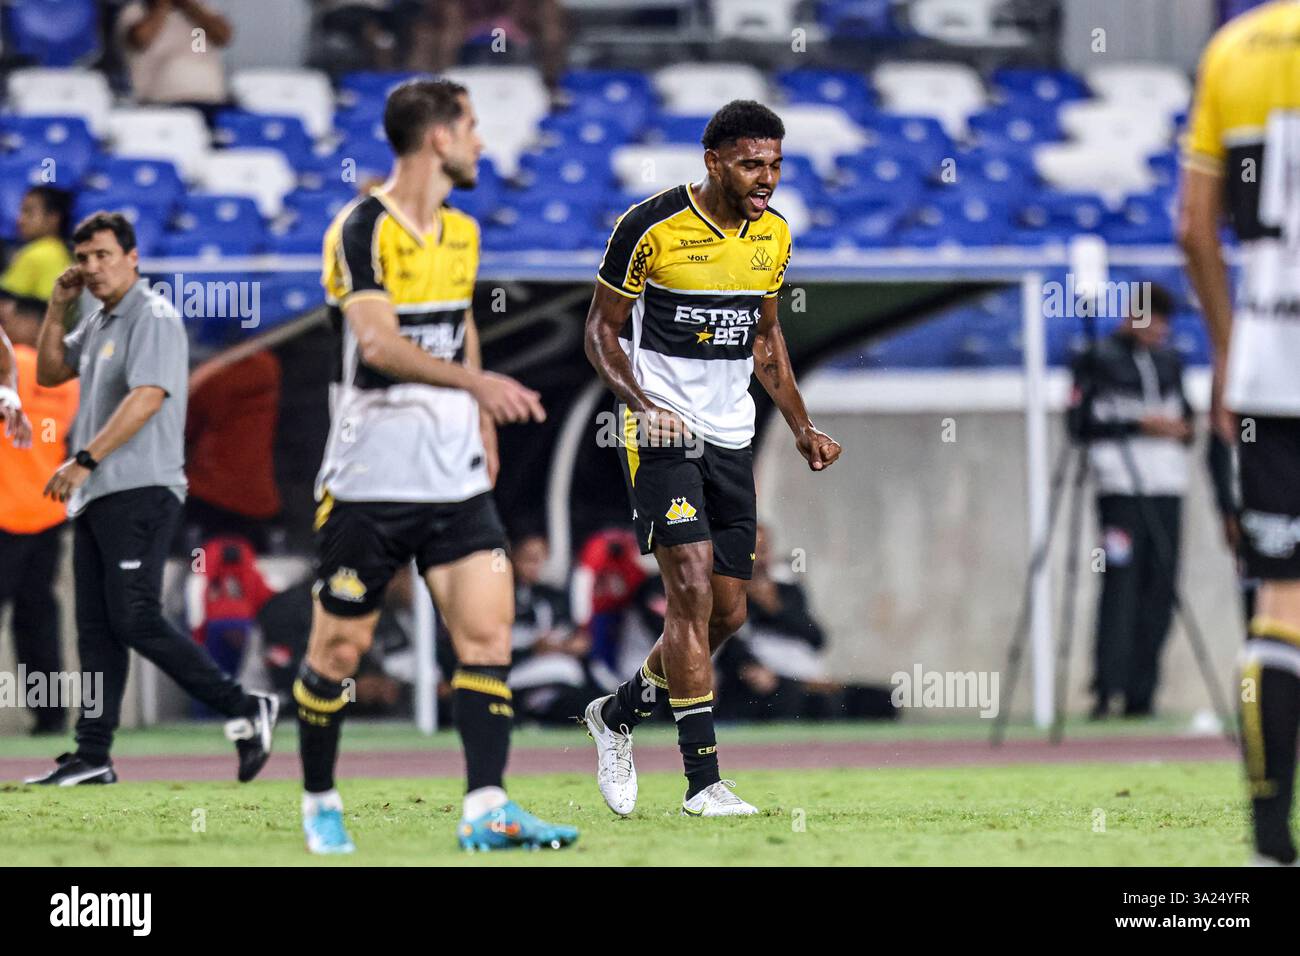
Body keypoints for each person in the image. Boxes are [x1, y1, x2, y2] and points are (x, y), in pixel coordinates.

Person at [300, 78, 577, 853]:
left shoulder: (461, 232)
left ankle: (486, 806)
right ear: (439, 139)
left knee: (487, 641)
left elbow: (456, 327)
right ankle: (320, 799)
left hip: (453, 480)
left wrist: (480, 413)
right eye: (473, 127)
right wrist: (479, 385)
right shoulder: (359, 229)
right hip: (368, 481)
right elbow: (381, 347)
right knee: (339, 653)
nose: (483, 142)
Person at [580, 100, 843, 817]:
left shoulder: (774, 236)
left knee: (725, 615)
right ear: (714, 161)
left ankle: (618, 714)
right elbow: (601, 333)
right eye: (753, 164)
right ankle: (704, 784)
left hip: (732, 436)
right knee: (690, 590)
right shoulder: (651, 227)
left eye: (776, 165)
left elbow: (765, 340)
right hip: (663, 435)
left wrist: (800, 426)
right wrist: (640, 403)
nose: (767, 179)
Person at [24, 212, 277, 787]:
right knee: (98, 628)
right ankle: (93, 754)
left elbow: (149, 396)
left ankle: (244, 707)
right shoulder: (98, 319)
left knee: (135, 617)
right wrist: (58, 305)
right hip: (98, 494)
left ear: (133, 257)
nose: (91, 268)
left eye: (103, 255)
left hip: (141, 488)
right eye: (82, 258)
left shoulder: (154, 316)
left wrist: (83, 458)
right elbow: (47, 369)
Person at [1180, 0, 1300, 865]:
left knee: (1278, 605)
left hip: (1269, 362)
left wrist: (1227, 352)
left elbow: (1193, 228)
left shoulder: (1235, 47)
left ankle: (1268, 842)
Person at [1066, 285, 1193, 720]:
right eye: (1149, 317)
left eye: (1162, 320)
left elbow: (1188, 421)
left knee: (1160, 588)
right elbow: (1079, 424)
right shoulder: (1097, 359)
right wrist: (1140, 425)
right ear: (1129, 316)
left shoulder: (1171, 361)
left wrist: (1179, 429)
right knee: (1119, 584)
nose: (1156, 328)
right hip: (1119, 488)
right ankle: (1107, 688)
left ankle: (1143, 693)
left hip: (1168, 489)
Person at [0, 299, 78, 734]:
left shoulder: (18, 365)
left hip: (5, 510)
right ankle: (50, 716)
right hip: (47, 510)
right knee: (38, 619)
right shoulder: (65, 377)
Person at [507, 533, 610, 724]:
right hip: (519, 673)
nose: (533, 565)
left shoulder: (551, 596)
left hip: (562, 672)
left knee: (589, 688)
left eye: (539, 559)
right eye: (528, 559)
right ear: (514, 557)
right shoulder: (503, 596)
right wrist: (532, 648)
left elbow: (574, 636)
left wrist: (573, 643)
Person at [116, 0, 233, 120]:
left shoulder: (202, 10)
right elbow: (139, 39)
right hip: (162, 107)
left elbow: (223, 36)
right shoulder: (134, 12)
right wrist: (162, 7)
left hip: (214, 103)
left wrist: (190, 6)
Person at [0, 186, 72, 324]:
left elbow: (4, 304)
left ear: (53, 218)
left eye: (28, 212)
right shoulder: (60, 252)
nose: (20, 220)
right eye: (21, 212)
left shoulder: (37, 254)